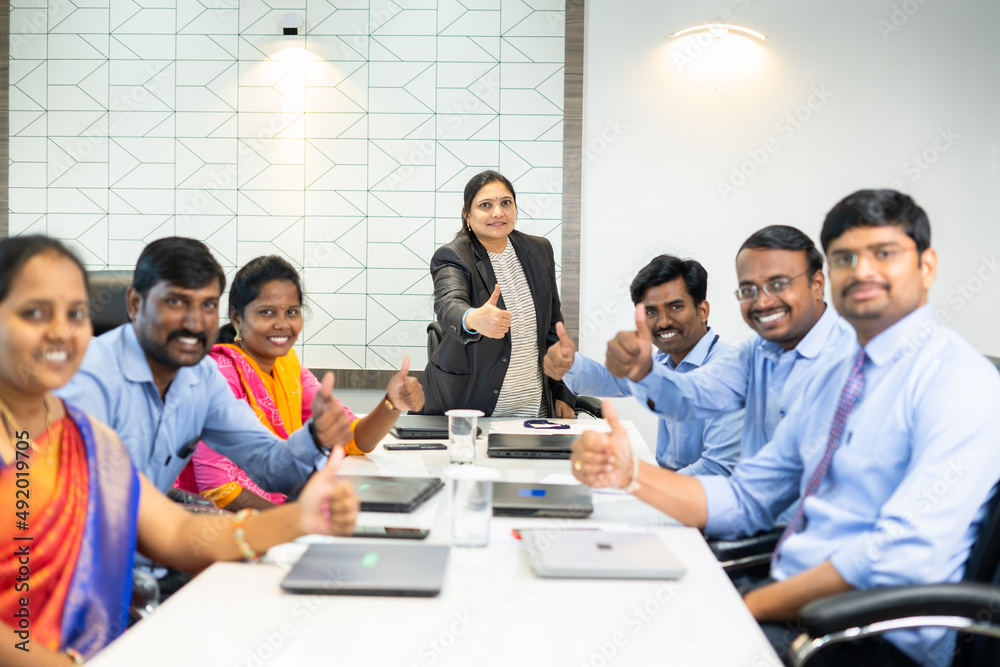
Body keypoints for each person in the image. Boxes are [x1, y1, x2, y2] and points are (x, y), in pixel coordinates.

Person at [571, 190, 1000, 665]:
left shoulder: (958, 381)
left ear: (926, 266)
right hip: (790, 594)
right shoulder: (842, 375)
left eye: (885, 254)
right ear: (830, 276)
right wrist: (630, 473)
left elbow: (890, 559)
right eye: (845, 258)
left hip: (865, 635)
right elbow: (750, 496)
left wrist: (746, 607)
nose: (862, 271)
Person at [0, 236, 360, 665]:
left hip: (107, 618)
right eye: (35, 313)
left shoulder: (88, 435)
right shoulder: (86, 390)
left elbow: (172, 531)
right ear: (134, 304)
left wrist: (299, 515)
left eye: (76, 313)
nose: (61, 331)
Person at [56, 237, 358, 494]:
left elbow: (270, 467)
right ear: (135, 304)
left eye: (208, 305)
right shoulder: (85, 377)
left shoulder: (202, 378)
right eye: (176, 302)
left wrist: (315, 436)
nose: (195, 322)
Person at [174, 255, 424, 510]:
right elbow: (218, 489)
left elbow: (350, 438)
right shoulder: (219, 374)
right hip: (216, 530)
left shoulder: (287, 365)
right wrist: (294, 522)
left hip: (281, 514)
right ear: (237, 318)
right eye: (266, 312)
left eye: (292, 312)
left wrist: (392, 404)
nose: (282, 324)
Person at [603, 225, 856, 464]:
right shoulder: (755, 353)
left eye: (778, 285)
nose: (763, 303)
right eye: (748, 290)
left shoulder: (853, 359)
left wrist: (638, 480)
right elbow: (690, 397)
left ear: (817, 284)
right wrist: (643, 372)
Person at [544, 254, 742, 475]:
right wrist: (570, 363)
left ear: (702, 310)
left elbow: (718, 468)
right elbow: (613, 381)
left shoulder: (728, 370)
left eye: (676, 307)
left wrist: (640, 482)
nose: (664, 321)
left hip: (705, 498)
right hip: (673, 488)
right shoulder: (664, 360)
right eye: (651, 311)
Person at [419, 170, 576, 418]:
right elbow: (449, 304)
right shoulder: (453, 256)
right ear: (467, 215)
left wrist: (562, 392)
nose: (498, 213)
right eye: (485, 205)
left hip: (534, 407)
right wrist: (472, 318)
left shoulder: (539, 250)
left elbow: (552, 329)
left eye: (506, 203)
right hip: (471, 408)